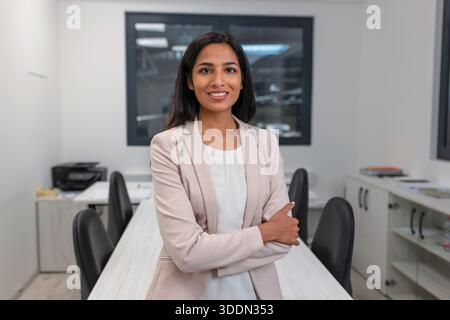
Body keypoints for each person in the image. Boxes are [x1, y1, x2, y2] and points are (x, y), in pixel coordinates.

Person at [146, 32, 300, 300]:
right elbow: (187, 253)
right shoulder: (168, 146)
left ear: (241, 81)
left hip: (255, 294)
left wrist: (207, 258)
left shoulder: (265, 144)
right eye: (205, 70)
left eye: (229, 69)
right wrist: (264, 232)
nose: (218, 81)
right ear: (191, 82)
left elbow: (282, 239)